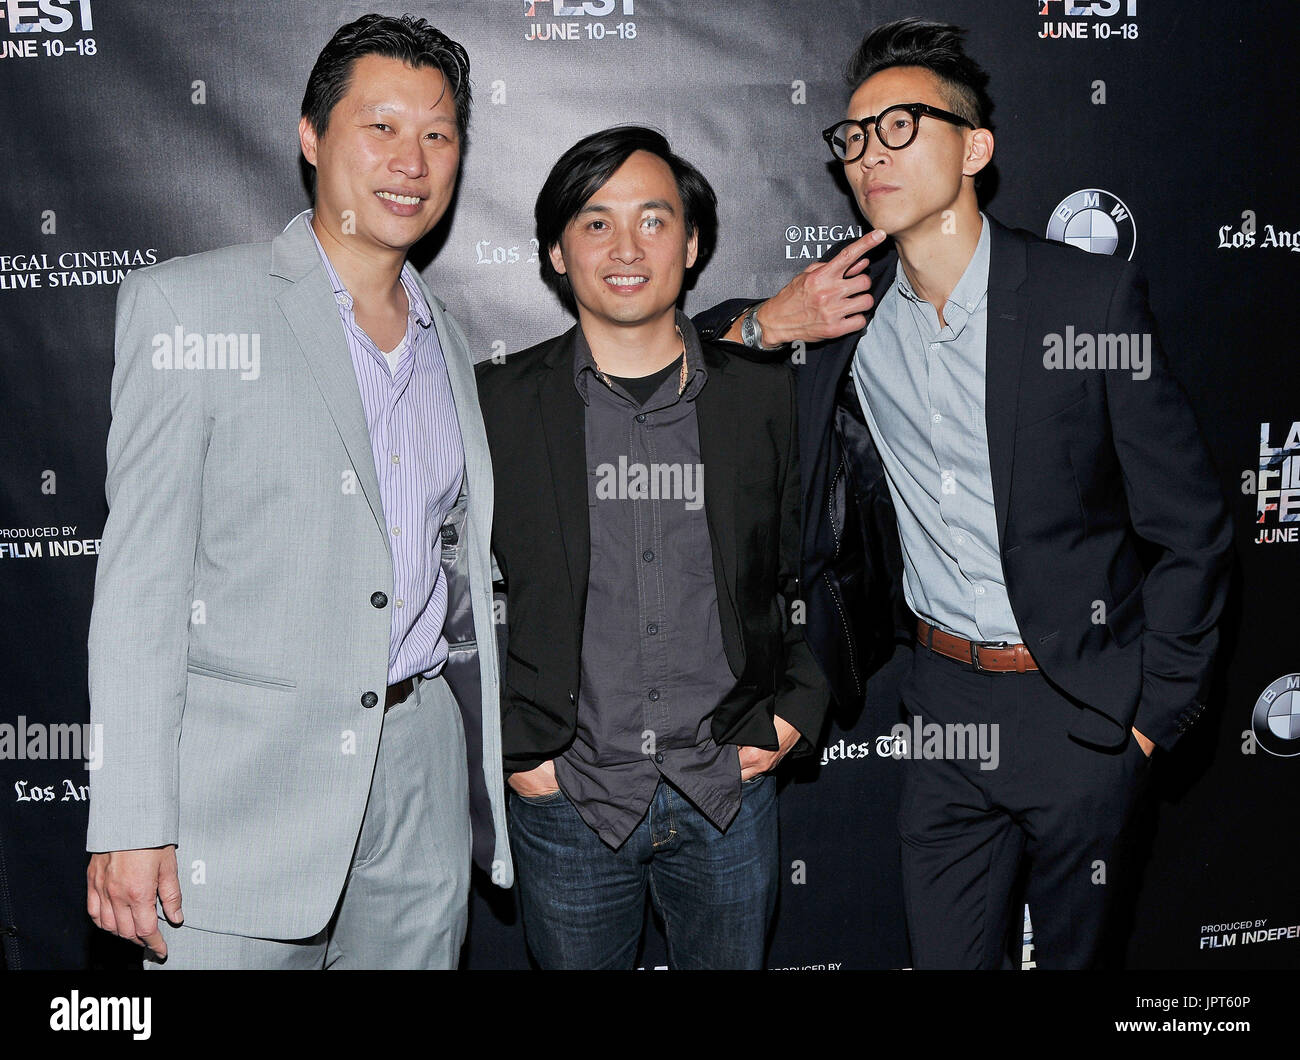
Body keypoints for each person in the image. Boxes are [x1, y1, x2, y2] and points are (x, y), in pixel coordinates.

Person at [695, 17, 1233, 968]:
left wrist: (1152, 721)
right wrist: (775, 318)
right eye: (854, 137)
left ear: (975, 147)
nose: (870, 154)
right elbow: (674, 366)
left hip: (1085, 711)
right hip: (942, 711)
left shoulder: (1085, 300)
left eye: (900, 126)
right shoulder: (842, 325)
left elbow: (1190, 528)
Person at [85, 14, 511, 969]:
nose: (412, 159)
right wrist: (129, 814)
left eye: (438, 134)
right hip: (238, 799)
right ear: (311, 137)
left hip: (418, 781)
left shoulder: (448, 338)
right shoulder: (188, 308)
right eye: (382, 126)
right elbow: (141, 584)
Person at [476, 126, 828, 969]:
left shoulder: (765, 396)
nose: (625, 247)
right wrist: (509, 749)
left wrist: (797, 708)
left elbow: (818, 563)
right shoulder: (492, 405)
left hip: (728, 792)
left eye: (653, 220)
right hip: (569, 804)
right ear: (557, 253)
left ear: (693, 241)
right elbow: (430, 587)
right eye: (595, 223)